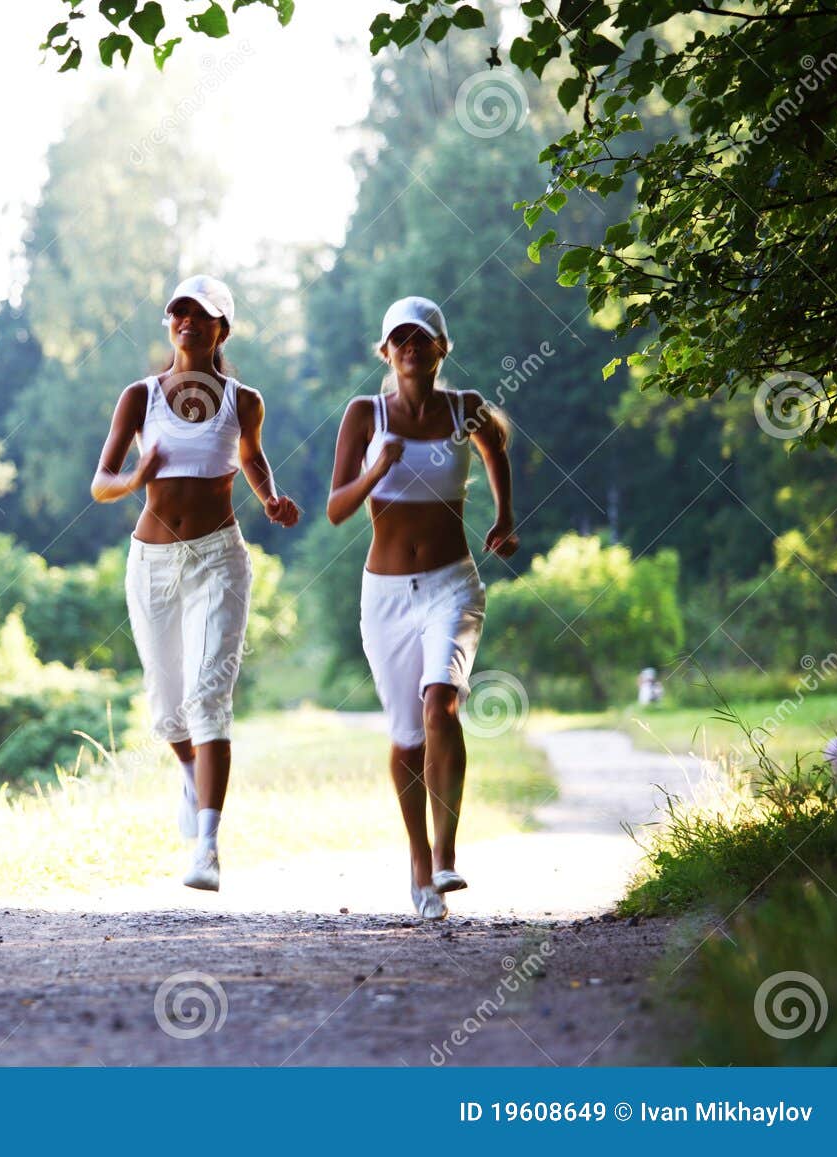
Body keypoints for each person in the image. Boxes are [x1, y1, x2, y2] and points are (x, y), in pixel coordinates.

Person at [92, 274, 300, 891]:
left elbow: (251, 456)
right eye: (178, 312)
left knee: (209, 696)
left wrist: (271, 497)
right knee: (168, 707)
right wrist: (138, 477)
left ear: (221, 329)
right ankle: (190, 775)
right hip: (151, 563)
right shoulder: (140, 397)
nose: (187, 321)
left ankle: (207, 846)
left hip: (218, 559)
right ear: (170, 324)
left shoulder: (244, 401)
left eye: (201, 315)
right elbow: (101, 484)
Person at [326, 296, 518, 920]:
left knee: (442, 704)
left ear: (441, 348)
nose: (411, 346)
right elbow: (336, 508)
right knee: (408, 739)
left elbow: (495, 449)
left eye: (422, 337)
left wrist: (505, 518)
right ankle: (417, 860)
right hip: (385, 596)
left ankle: (444, 852)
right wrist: (376, 467)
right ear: (386, 351)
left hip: (451, 585)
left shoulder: (465, 409)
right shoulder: (365, 414)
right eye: (400, 338)